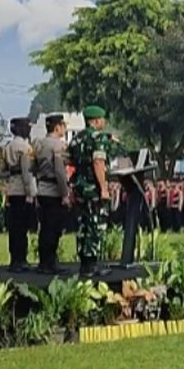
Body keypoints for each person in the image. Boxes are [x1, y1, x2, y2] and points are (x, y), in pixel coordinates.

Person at [67, 105, 115, 275]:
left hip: (79, 188)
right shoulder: (97, 138)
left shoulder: (76, 139)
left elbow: (69, 162)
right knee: (95, 224)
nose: (104, 122)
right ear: (95, 121)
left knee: (83, 225)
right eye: (102, 119)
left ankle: (84, 263)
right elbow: (98, 163)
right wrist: (104, 188)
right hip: (93, 188)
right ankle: (92, 264)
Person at [34, 113, 70, 274]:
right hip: (54, 190)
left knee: (44, 227)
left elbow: (33, 167)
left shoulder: (39, 144)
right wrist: (64, 193)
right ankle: (50, 262)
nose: (64, 129)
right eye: (63, 126)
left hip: (42, 188)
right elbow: (60, 172)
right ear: (57, 127)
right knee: (53, 228)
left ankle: (43, 262)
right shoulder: (58, 146)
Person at [0, 118, 37, 271]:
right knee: (22, 228)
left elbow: (3, 170)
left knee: (13, 228)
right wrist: (31, 193)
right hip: (23, 190)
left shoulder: (7, 147)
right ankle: (21, 260)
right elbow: (27, 173)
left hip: (12, 188)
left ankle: (14, 259)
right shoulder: (25, 148)